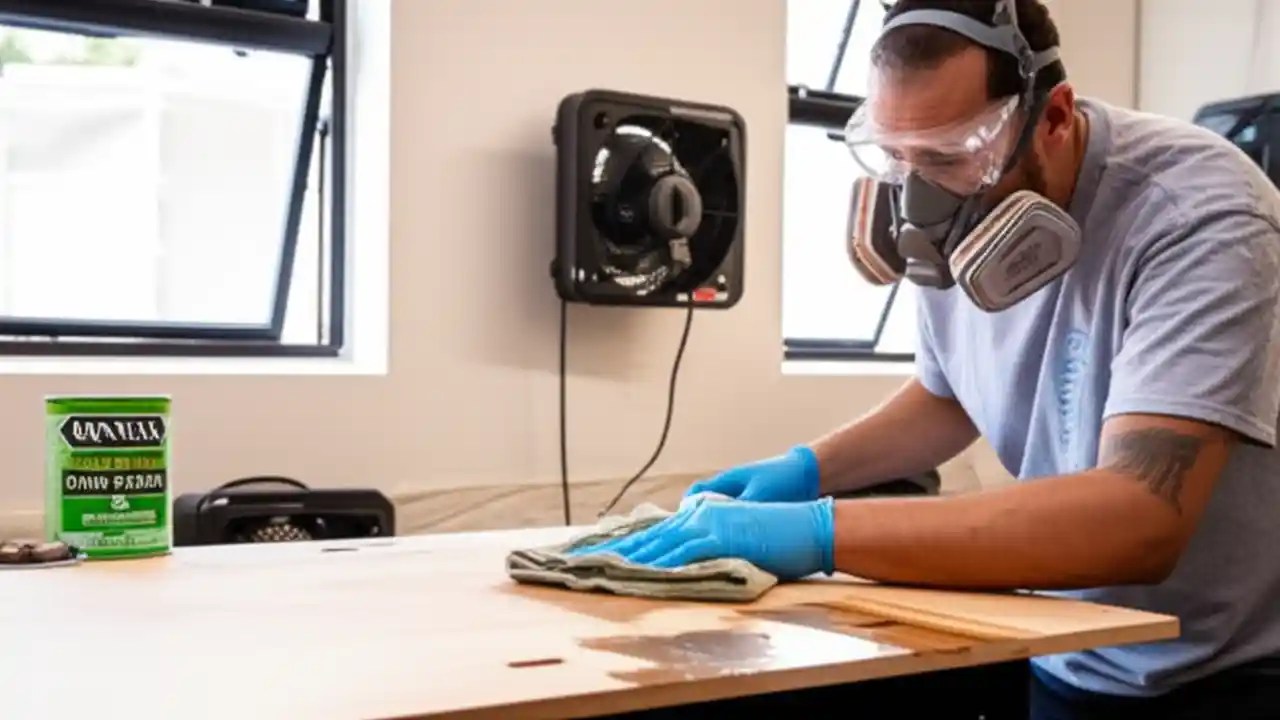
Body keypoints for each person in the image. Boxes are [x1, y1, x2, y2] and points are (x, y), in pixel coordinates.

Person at [567, 0, 1280, 717]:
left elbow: (1140, 514)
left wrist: (820, 533)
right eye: (897, 157)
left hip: (1217, 676)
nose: (919, 196)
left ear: (1055, 117)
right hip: (1063, 646)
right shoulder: (953, 213)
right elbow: (948, 397)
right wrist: (806, 469)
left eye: (947, 156)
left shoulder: (1200, 217)